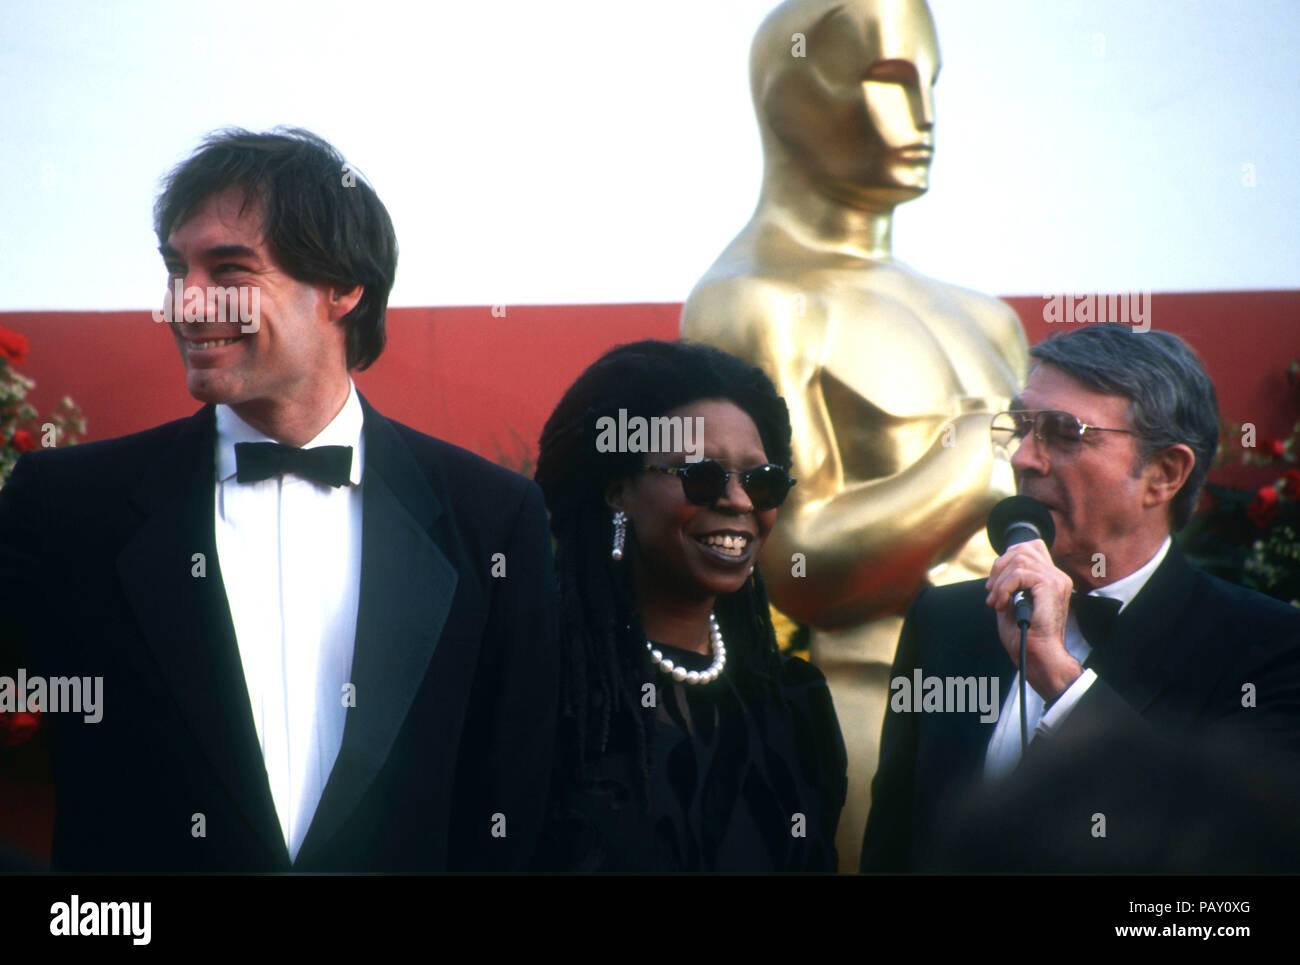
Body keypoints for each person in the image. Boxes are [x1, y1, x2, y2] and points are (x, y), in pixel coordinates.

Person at [0, 128, 559, 871]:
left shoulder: (494, 516)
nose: (184, 304)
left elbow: (514, 802)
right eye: (176, 269)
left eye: (228, 269)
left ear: (343, 287)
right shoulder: (66, 506)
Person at [681, 0, 1027, 869]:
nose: (925, 119)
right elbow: (788, 556)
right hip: (869, 699)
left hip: (1037, 693)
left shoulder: (987, 319)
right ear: (788, 93)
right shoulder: (754, 304)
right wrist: (965, 469)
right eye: (888, 80)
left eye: (931, 84)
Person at [861, 323, 1300, 872]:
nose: (1024, 458)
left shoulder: (1267, 647)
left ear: (1164, 474)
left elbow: (1236, 866)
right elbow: (893, 846)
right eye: (1021, 427)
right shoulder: (945, 620)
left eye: (1064, 433)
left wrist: (1060, 677)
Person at [533, 340, 847, 871]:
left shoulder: (793, 712)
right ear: (617, 492)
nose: (740, 501)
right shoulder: (541, 699)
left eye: (761, 480)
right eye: (702, 477)